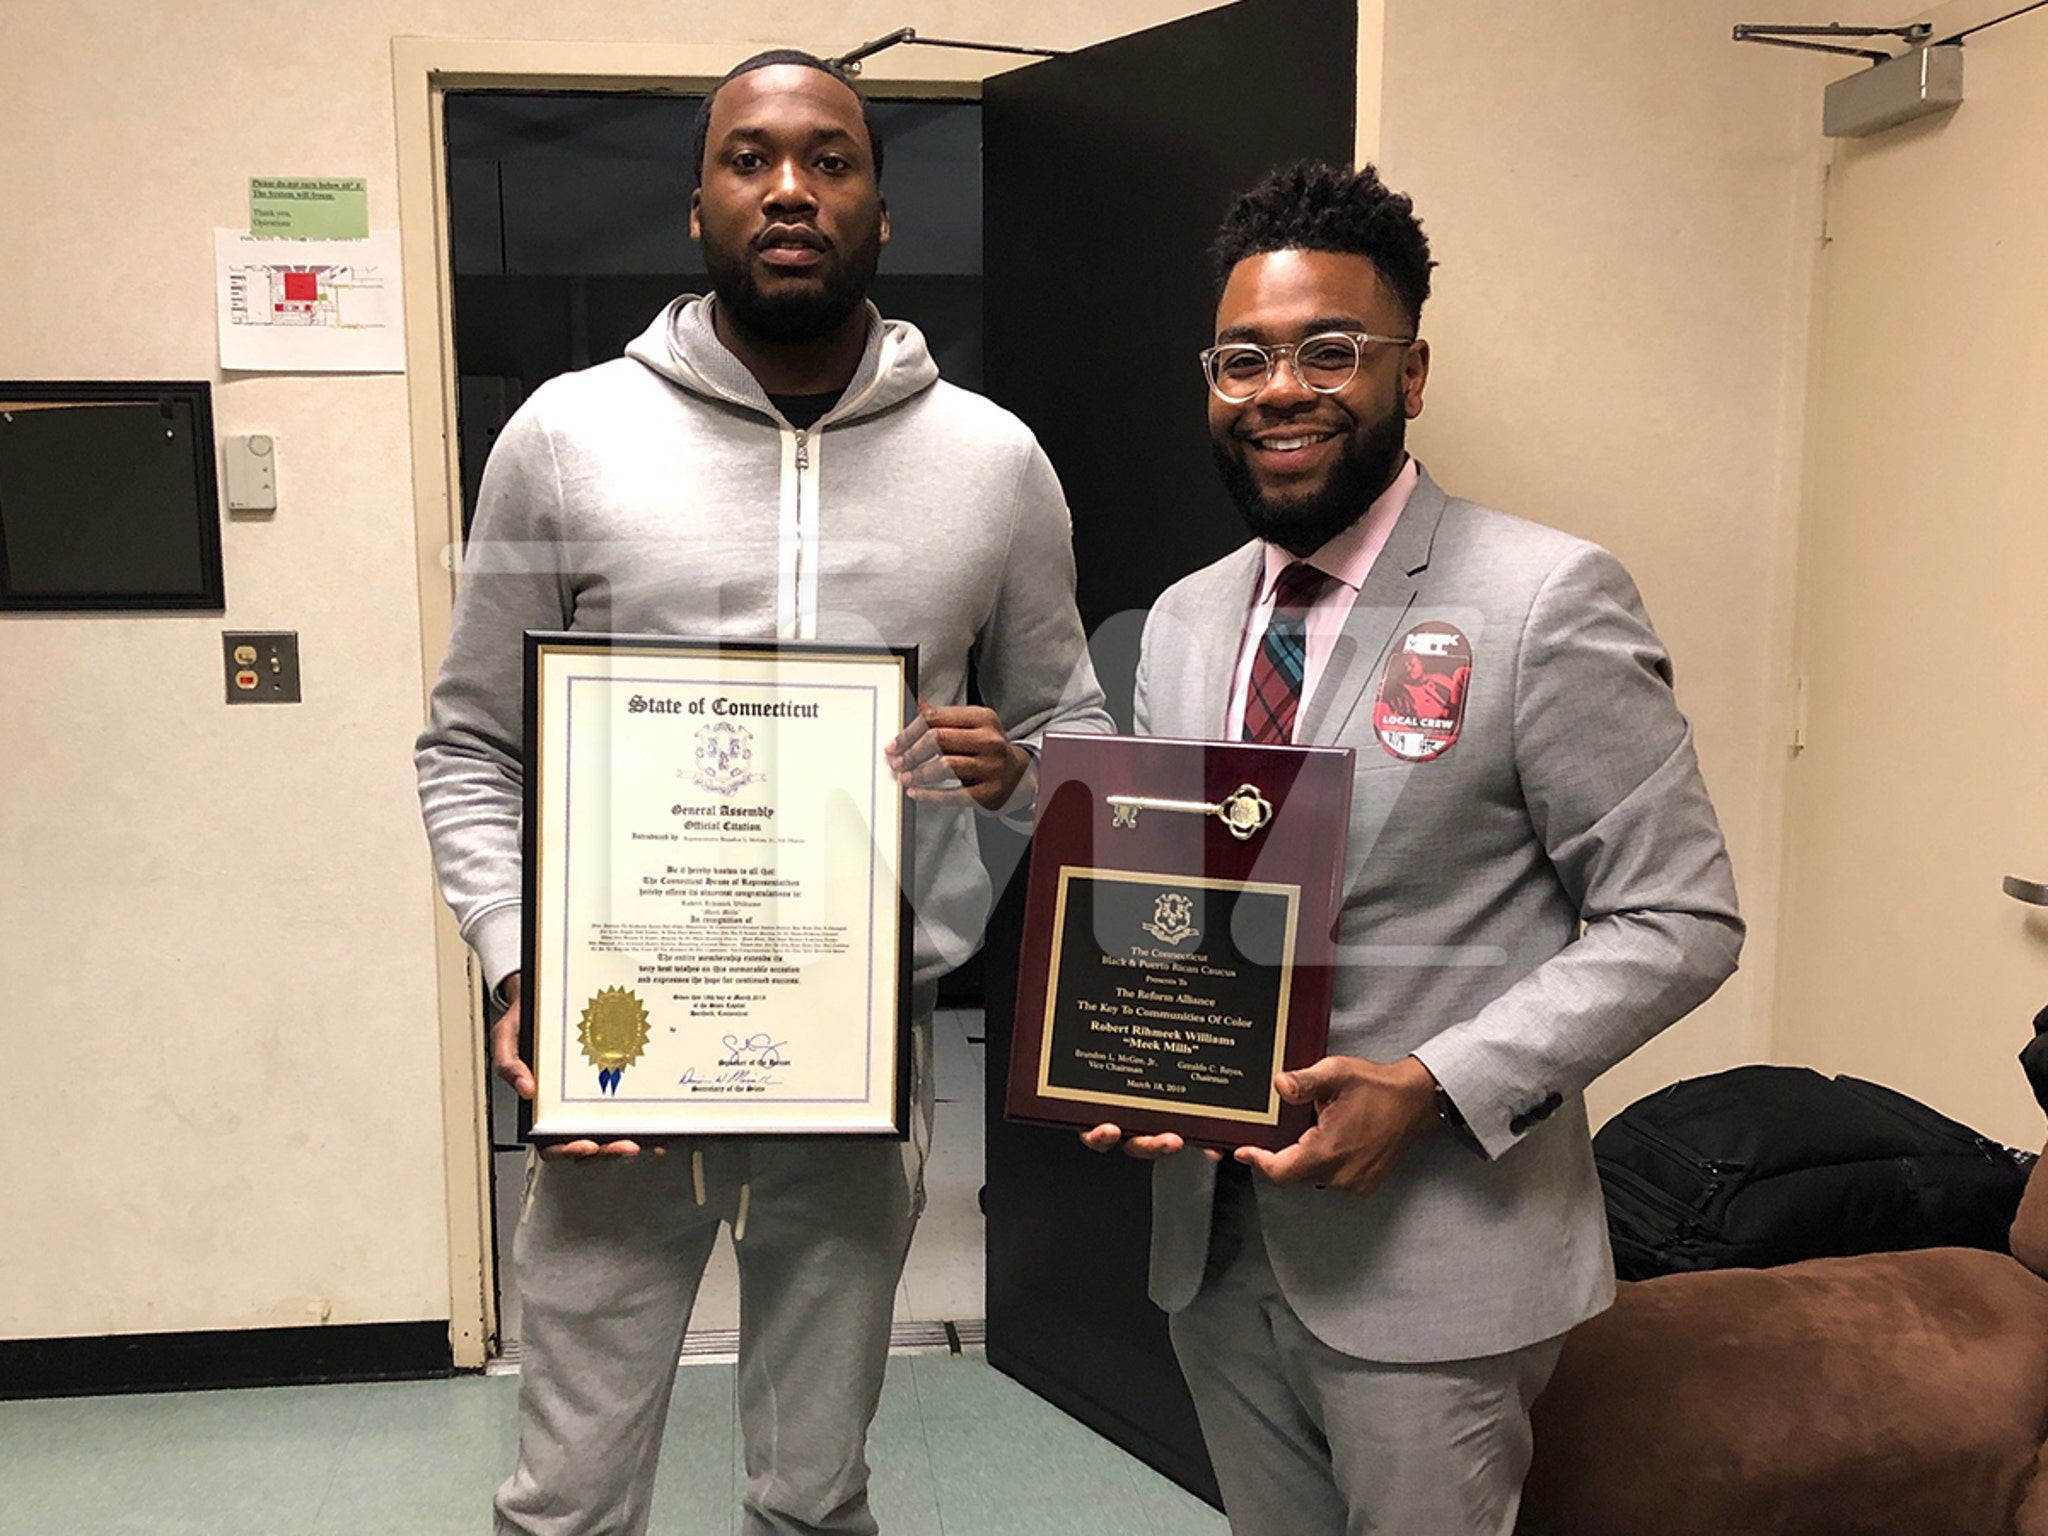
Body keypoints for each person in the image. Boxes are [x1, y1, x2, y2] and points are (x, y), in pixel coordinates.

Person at [416, 50, 1110, 1536]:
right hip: (623, 1043)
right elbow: (470, 746)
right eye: (749, 158)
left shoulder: (994, 462)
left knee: (814, 1493)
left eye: (830, 159)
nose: (790, 189)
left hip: (858, 1051)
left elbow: (1074, 733)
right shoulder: (565, 438)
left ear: (880, 206)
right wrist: (522, 964)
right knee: (564, 1501)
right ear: (697, 206)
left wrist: (1016, 770)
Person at [1083, 160, 1745, 1536]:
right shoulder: (1188, 618)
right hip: (1210, 1247)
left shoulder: (1545, 599)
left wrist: (1435, 1086)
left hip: (1435, 1263)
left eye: (1331, 350)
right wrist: (1125, 1057)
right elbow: (1177, 896)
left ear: (1413, 371)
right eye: (1244, 359)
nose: (1281, 390)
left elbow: (1680, 917)